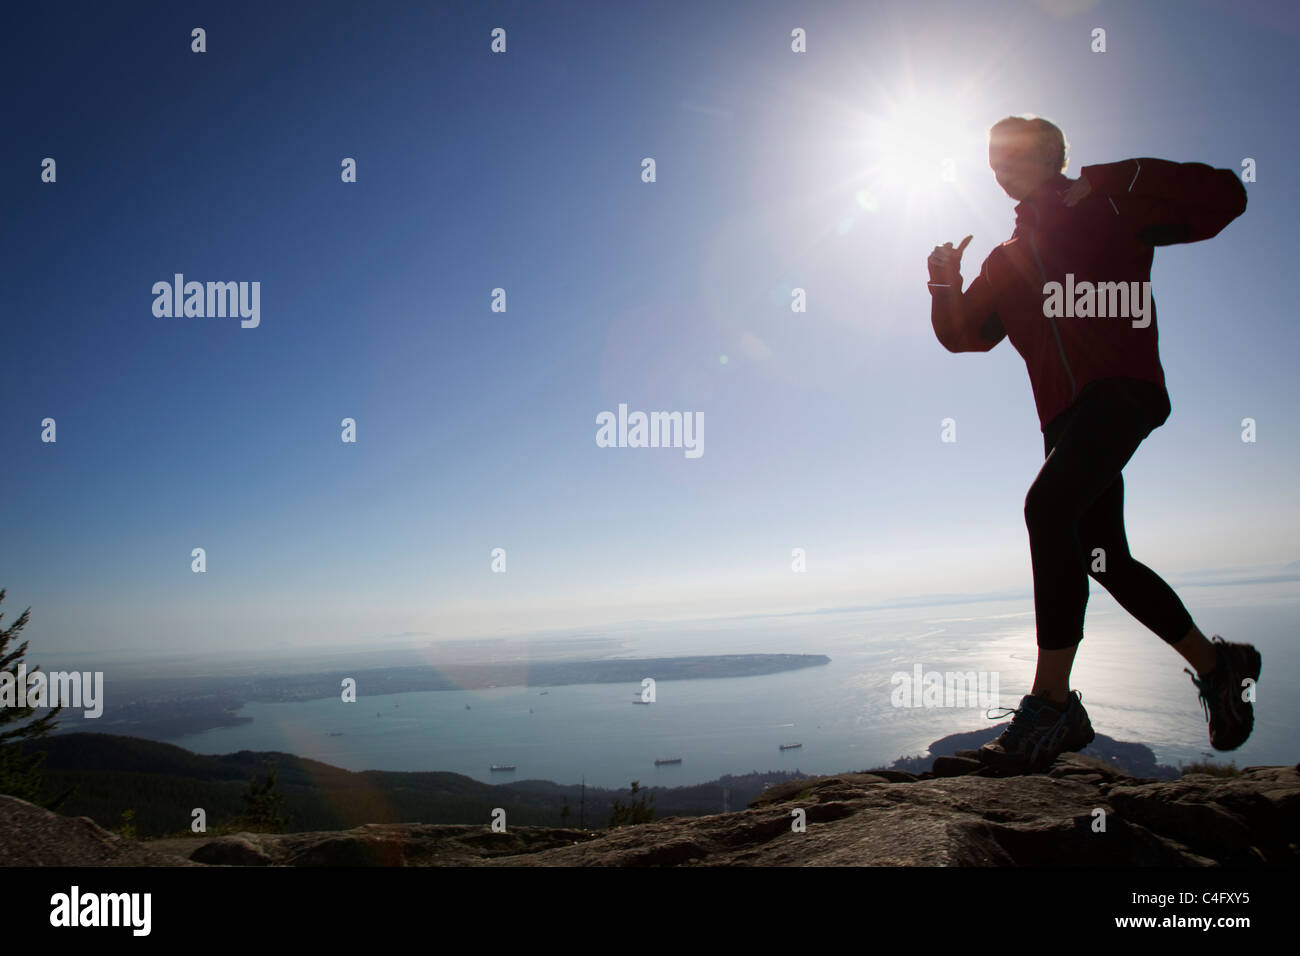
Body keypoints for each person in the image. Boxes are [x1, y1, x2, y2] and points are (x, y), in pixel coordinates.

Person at [927, 115, 1258, 774]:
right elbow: (965, 336)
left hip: (1122, 391)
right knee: (1105, 558)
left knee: (1047, 509)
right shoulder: (1006, 259)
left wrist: (1111, 178)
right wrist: (943, 284)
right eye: (993, 158)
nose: (1000, 166)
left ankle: (1053, 704)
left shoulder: (1108, 203)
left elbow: (1226, 198)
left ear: (1053, 154)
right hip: (1064, 421)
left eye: (1013, 153)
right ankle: (1220, 665)